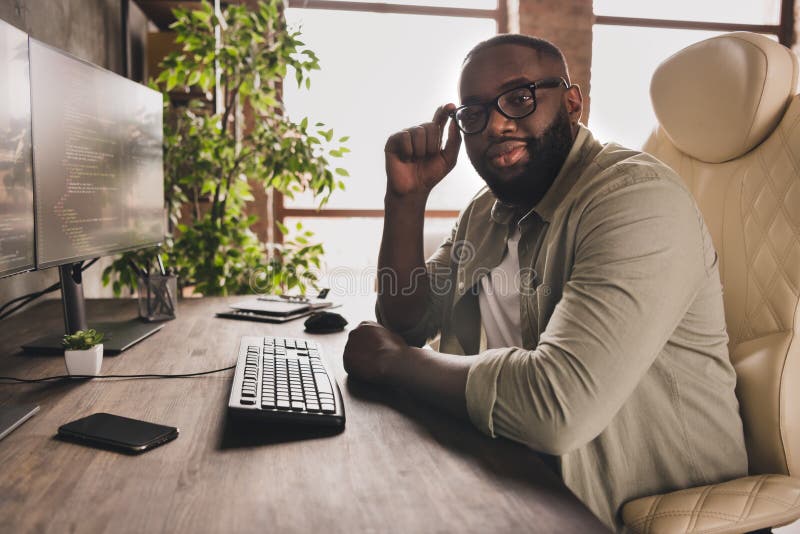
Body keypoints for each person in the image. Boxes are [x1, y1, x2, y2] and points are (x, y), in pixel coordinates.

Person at [342, 34, 747, 531]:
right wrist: (405, 200)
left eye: (519, 97)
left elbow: (558, 407)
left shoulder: (634, 199)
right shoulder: (487, 213)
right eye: (474, 112)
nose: (495, 124)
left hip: (629, 509)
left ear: (573, 103)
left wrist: (396, 363)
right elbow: (408, 318)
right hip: (517, 475)